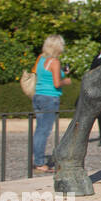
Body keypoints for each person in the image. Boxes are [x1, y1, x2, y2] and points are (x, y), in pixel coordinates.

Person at [31, 34, 71, 172]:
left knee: (39, 130)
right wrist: (66, 80)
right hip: (50, 97)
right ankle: (39, 162)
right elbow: (56, 83)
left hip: (38, 95)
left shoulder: (41, 59)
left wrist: (63, 72)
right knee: (44, 130)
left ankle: (37, 159)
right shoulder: (54, 62)